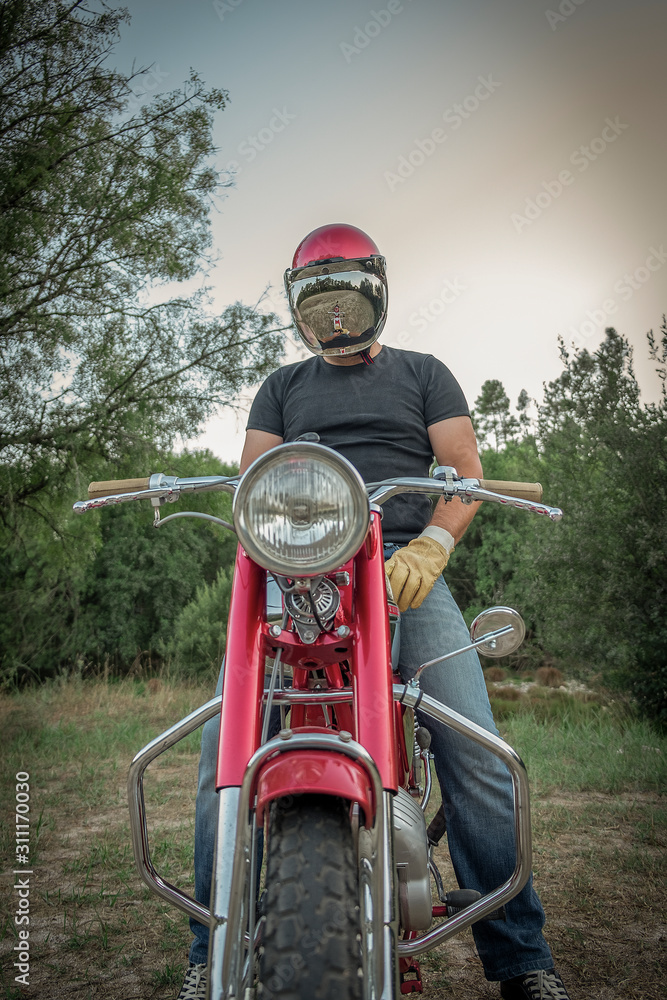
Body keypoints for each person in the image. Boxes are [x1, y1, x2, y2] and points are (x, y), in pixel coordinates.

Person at [178, 224, 572, 1000]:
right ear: (298, 312)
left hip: (400, 571)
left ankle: (521, 958)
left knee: (478, 752)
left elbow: (463, 471)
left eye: (344, 303)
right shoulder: (280, 388)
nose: (332, 320)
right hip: (291, 571)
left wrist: (430, 546)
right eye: (317, 306)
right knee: (217, 754)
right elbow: (252, 479)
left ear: (375, 295)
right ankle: (206, 952)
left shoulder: (425, 374)